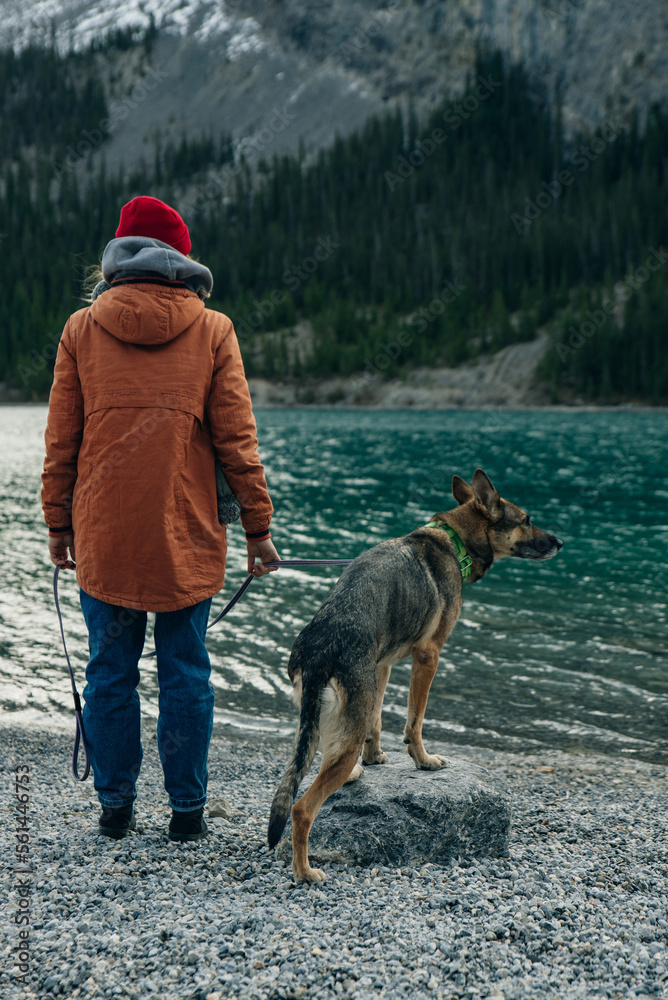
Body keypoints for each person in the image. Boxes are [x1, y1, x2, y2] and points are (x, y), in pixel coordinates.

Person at [41, 195, 279, 842]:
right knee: (186, 672)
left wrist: (58, 526)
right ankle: (186, 814)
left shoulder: (80, 329)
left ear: (118, 255)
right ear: (182, 258)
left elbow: (62, 443)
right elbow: (238, 444)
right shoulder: (213, 330)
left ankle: (115, 808)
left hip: (103, 535)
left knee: (108, 670)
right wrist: (258, 531)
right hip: (188, 537)